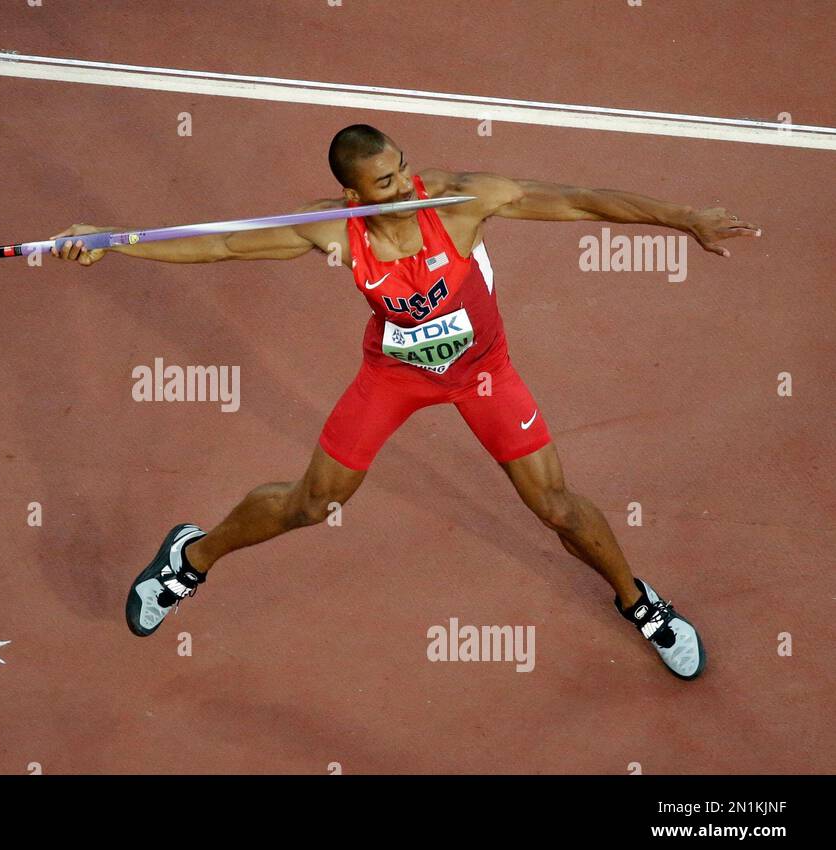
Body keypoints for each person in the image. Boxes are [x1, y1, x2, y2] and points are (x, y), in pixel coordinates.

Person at [50, 124, 761, 679]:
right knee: (312, 503)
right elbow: (222, 247)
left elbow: (576, 198)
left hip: (483, 371)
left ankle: (640, 603)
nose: (408, 183)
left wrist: (683, 215)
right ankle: (189, 557)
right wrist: (111, 242)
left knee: (557, 507)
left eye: (404, 166)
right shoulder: (332, 229)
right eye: (388, 181)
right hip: (395, 374)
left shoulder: (458, 200)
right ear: (357, 195)